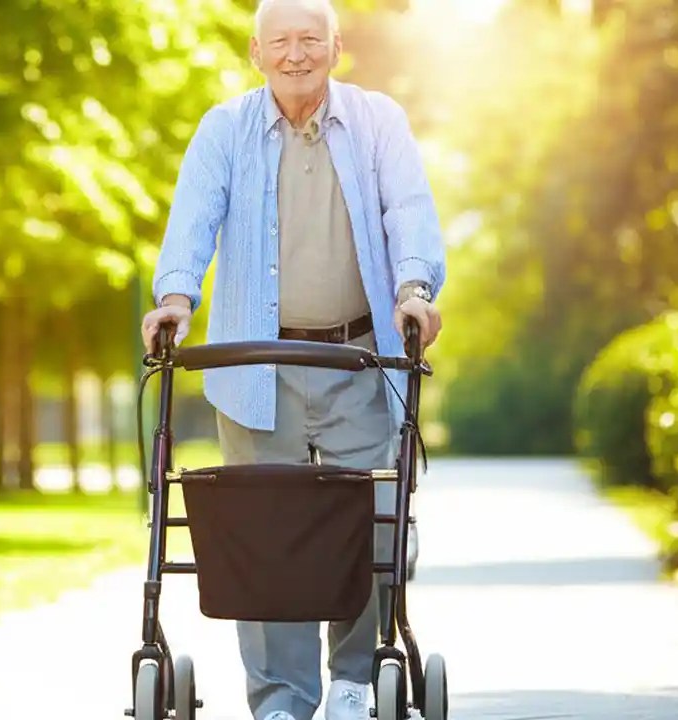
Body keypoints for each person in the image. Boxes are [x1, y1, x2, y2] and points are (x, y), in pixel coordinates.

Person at [140, 0, 445, 718]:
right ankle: (281, 698)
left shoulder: (377, 123)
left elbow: (409, 210)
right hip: (254, 367)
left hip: (358, 363)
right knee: (264, 536)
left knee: (373, 523)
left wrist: (413, 288)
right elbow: (194, 218)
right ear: (256, 51)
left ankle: (349, 684)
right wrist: (176, 298)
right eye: (281, 41)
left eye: (311, 39)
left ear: (337, 47)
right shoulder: (225, 130)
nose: (296, 53)